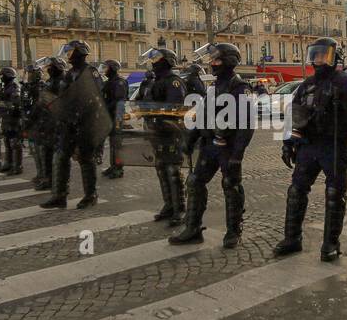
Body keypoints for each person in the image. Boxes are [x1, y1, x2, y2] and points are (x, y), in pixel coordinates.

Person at [274, 37, 347, 261]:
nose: (318, 60)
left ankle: (330, 243)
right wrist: (288, 145)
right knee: (296, 191)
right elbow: (294, 116)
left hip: (334, 146)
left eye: (322, 55)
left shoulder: (346, 82)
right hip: (308, 146)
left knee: (335, 195)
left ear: (334, 57)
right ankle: (292, 238)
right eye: (315, 55)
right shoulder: (307, 85)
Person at [171, 42, 252, 248]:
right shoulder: (213, 87)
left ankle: (234, 230)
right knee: (195, 182)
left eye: (216, 59)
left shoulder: (239, 88)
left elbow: (246, 125)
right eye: (212, 59)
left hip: (228, 146)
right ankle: (193, 227)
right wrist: (190, 139)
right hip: (209, 146)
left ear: (228, 62)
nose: (213, 64)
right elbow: (202, 116)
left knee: (231, 186)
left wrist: (238, 155)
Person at [40, 40, 108, 210]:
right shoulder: (70, 74)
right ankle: (59, 196)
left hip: (85, 124)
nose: (68, 54)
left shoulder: (90, 72)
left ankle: (90, 195)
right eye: (67, 51)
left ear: (80, 52)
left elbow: (94, 98)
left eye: (70, 51)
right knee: (60, 158)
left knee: (86, 160)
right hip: (68, 123)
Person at [131, 47, 187, 225]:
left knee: (173, 171)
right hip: (154, 130)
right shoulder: (151, 81)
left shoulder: (173, 82)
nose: (153, 62)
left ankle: (179, 208)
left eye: (156, 58)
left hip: (170, 132)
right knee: (161, 168)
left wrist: (152, 110)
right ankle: (168, 205)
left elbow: (174, 107)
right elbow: (140, 100)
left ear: (167, 61)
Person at [100, 59, 129, 179]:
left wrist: (117, 119)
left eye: (106, 67)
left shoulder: (119, 82)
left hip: (116, 116)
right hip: (109, 116)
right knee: (113, 143)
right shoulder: (110, 81)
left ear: (112, 69)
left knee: (117, 144)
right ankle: (113, 166)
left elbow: (119, 101)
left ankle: (118, 168)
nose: (105, 70)